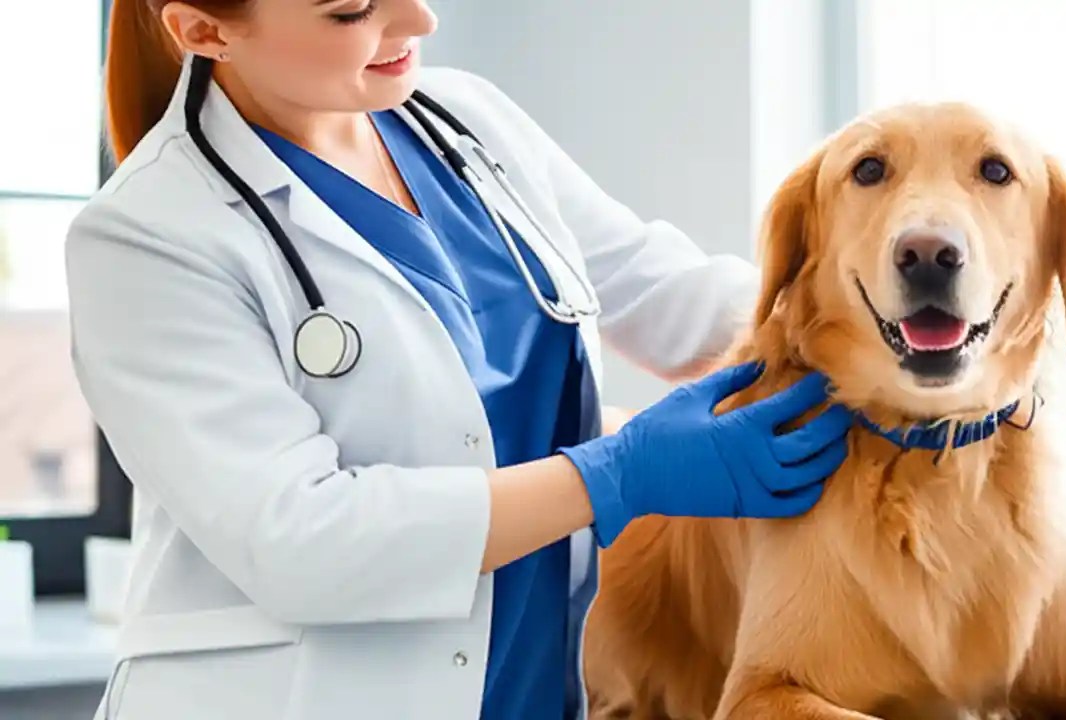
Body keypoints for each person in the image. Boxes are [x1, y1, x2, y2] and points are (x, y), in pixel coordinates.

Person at [68, 1, 855, 718]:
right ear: (206, 32)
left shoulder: (466, 121)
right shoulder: (147, 235)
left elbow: (663, 292)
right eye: (352, 12)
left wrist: (883, 321)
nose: (420, 21)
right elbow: (301, 542)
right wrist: (615, 476)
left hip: (526, 690)